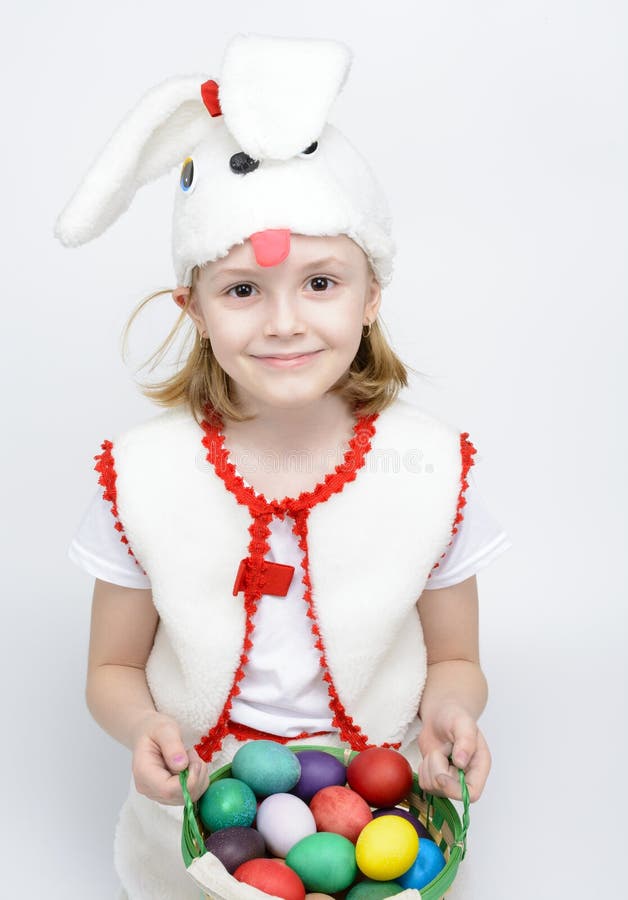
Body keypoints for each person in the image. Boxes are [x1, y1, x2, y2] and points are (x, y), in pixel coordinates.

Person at [56, 32, 512, 900]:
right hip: (204, 818)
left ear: (372, 291)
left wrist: (454, 714)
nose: (284, 323)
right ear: (192, 304)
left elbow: (456, 657)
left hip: (384, 808)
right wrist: (146, 726)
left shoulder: (430, 467)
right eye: (242, 290)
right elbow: (111, 670)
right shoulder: (141, 478)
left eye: (322, 282)